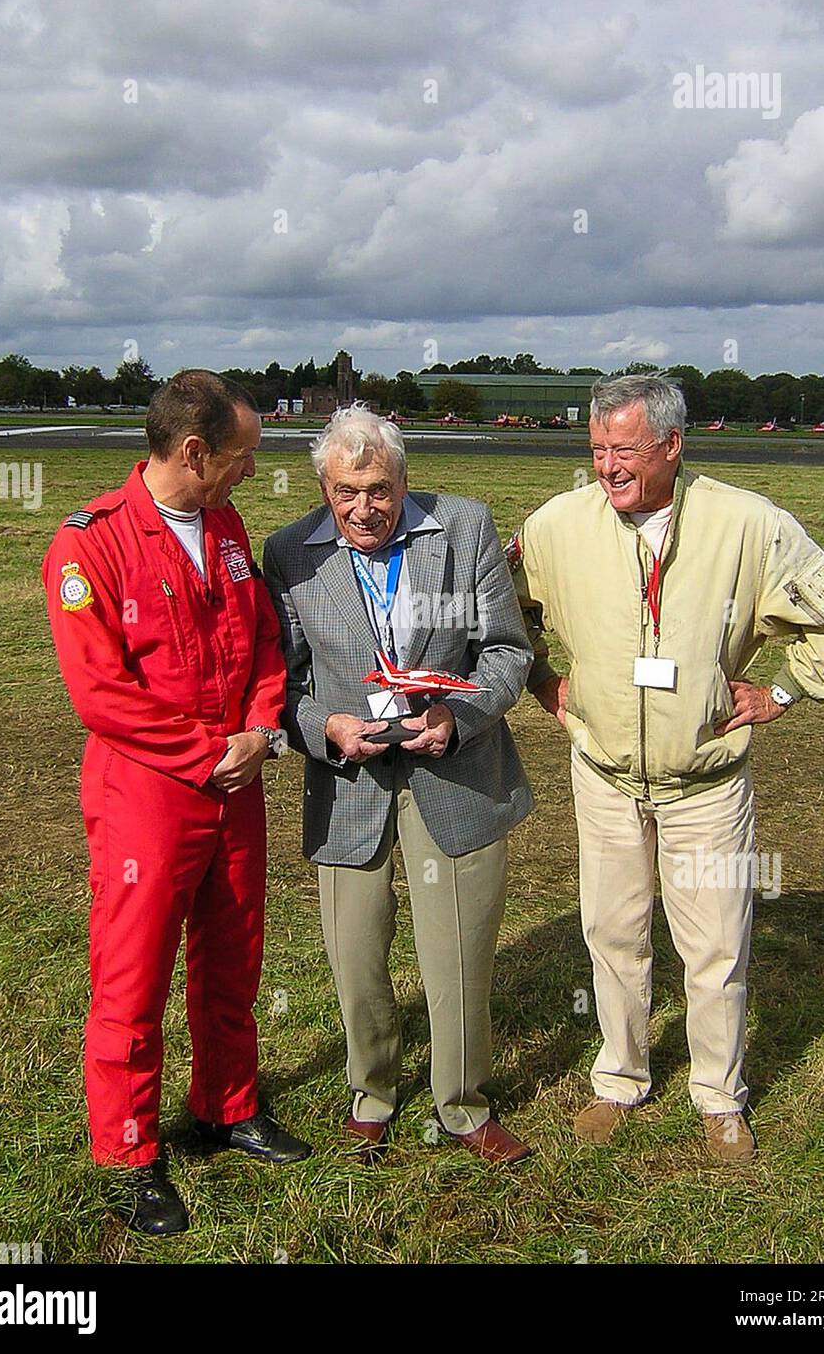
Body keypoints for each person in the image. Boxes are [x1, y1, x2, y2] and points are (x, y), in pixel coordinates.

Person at [510, 374, 824, 1160]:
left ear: (672, 446)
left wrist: (779, 691)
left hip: (704, 783)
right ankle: (619, 1080)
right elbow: (504, 615)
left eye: (625, 450)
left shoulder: (748, 525)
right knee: (611, 934)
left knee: (713, 947)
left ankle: (718, 1097)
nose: (607, 467)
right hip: (602, 776)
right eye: (597, 449)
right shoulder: (554, 525)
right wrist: (540, 680)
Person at [42, 370, 311, 1236]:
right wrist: (206, 752)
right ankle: (127, 1148)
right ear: (193, 452)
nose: (251, 472)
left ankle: (226, 1107)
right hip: (148, 793)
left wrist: (262, 729)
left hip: (234, 783)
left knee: (234, 952)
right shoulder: (91, 545)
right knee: (134, 973)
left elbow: (265, 641)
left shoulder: (228, 528)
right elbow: (102, 694)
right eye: (240, 456)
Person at [263, 404, 534, 1163]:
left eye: (377, 488)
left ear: (404, 479)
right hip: (349, 786)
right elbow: (278, 682)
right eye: (344, 491)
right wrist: (325, 729)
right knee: (356, 956)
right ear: (322, 486)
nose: (362, 508)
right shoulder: (288, 554)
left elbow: (507, 653)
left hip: (455, 775)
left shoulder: (465, 527)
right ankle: (373, 1089)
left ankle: (463, 1103)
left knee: (457, 952)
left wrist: (457, 714)